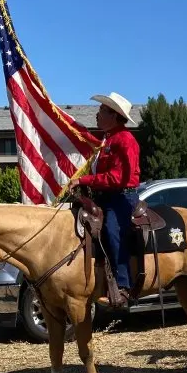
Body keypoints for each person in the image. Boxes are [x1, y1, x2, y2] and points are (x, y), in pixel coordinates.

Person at [77, 92, 140, 304]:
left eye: (101, 110)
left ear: (113, 115)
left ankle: (123, 286)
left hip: (122, 197)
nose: (97, 114)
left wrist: (85, 180)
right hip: (107, 196)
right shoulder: (108, 139)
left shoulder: (125, 140)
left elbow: (119, 178)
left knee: (114, 231)